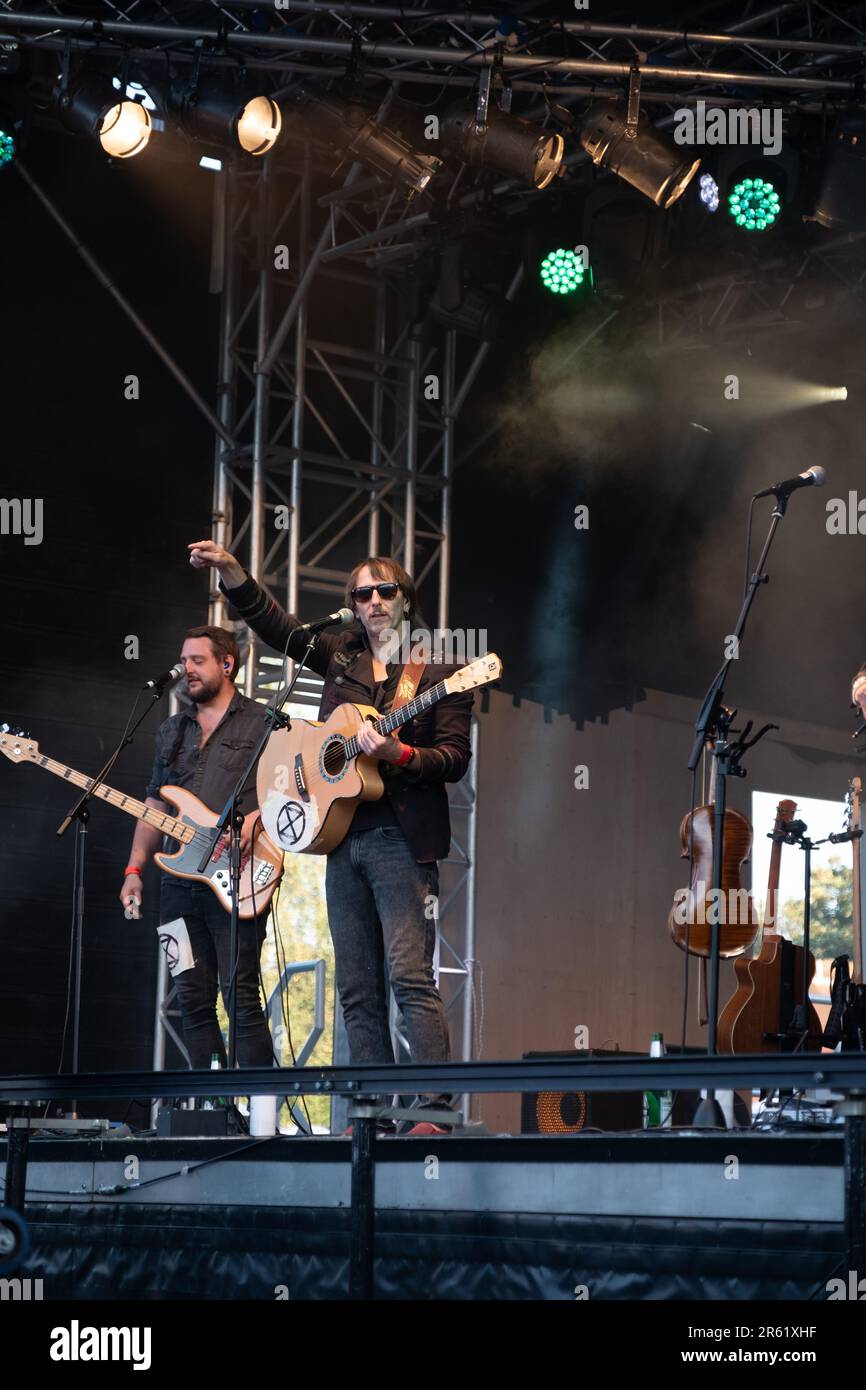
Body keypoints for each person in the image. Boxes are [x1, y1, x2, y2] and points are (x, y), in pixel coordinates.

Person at [188, 540, 474, 1135]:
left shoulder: (440, 670)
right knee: (356, 986)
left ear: (405, 601)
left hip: (402, 839)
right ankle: (369, 1114)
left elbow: (454, 759)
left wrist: (399, 751)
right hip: (341, 838)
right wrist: (235, 575)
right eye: (360, 594)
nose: (371, 602)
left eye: (383, 591)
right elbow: (277, 627)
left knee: (409, 976)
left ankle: (434, 1112)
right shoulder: (340, 657)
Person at [120, 626, 274, 1070]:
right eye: (183, 660)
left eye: (197, 660)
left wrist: (255, 824)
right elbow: (154, 802)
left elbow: (288, 793)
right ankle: (214, 1111)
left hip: (239, 875)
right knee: (190, 996)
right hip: (176, 884)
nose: (185, 668)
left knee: (240, 995)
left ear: (227, 664)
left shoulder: (263, 721)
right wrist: (134, 869)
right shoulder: (171, 730)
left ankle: (261, 1117)